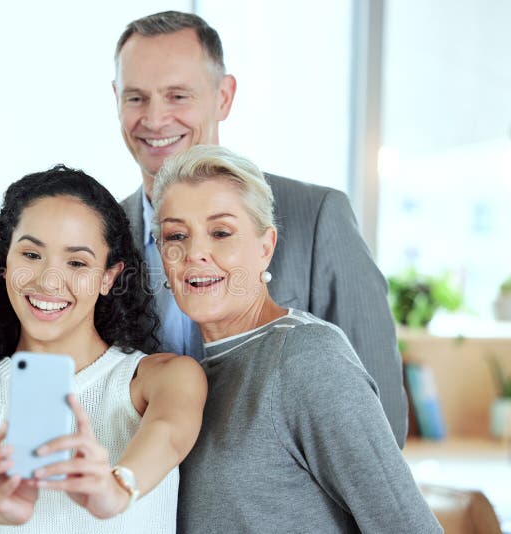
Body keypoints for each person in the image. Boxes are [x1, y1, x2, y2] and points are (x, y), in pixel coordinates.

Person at [113, 10, 408, 446]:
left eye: (178, 96)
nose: (155, 119)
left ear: (224, 97)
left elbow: (380, 419)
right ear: (116, 98)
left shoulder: (316, 216)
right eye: (136, 98)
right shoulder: (103, 237)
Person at [152, 145, 440, 533]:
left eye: (221, 232)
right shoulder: (193, 375)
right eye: (176, 235)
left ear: (265, 247)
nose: (195, 252)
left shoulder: (307, 358)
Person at [0, 165, 207, 533]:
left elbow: (168, 433)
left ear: (108, 277)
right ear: (4, 263)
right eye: (31, 255)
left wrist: (117, 487)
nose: (49, 281)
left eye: (76, 262)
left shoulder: (164, 378)